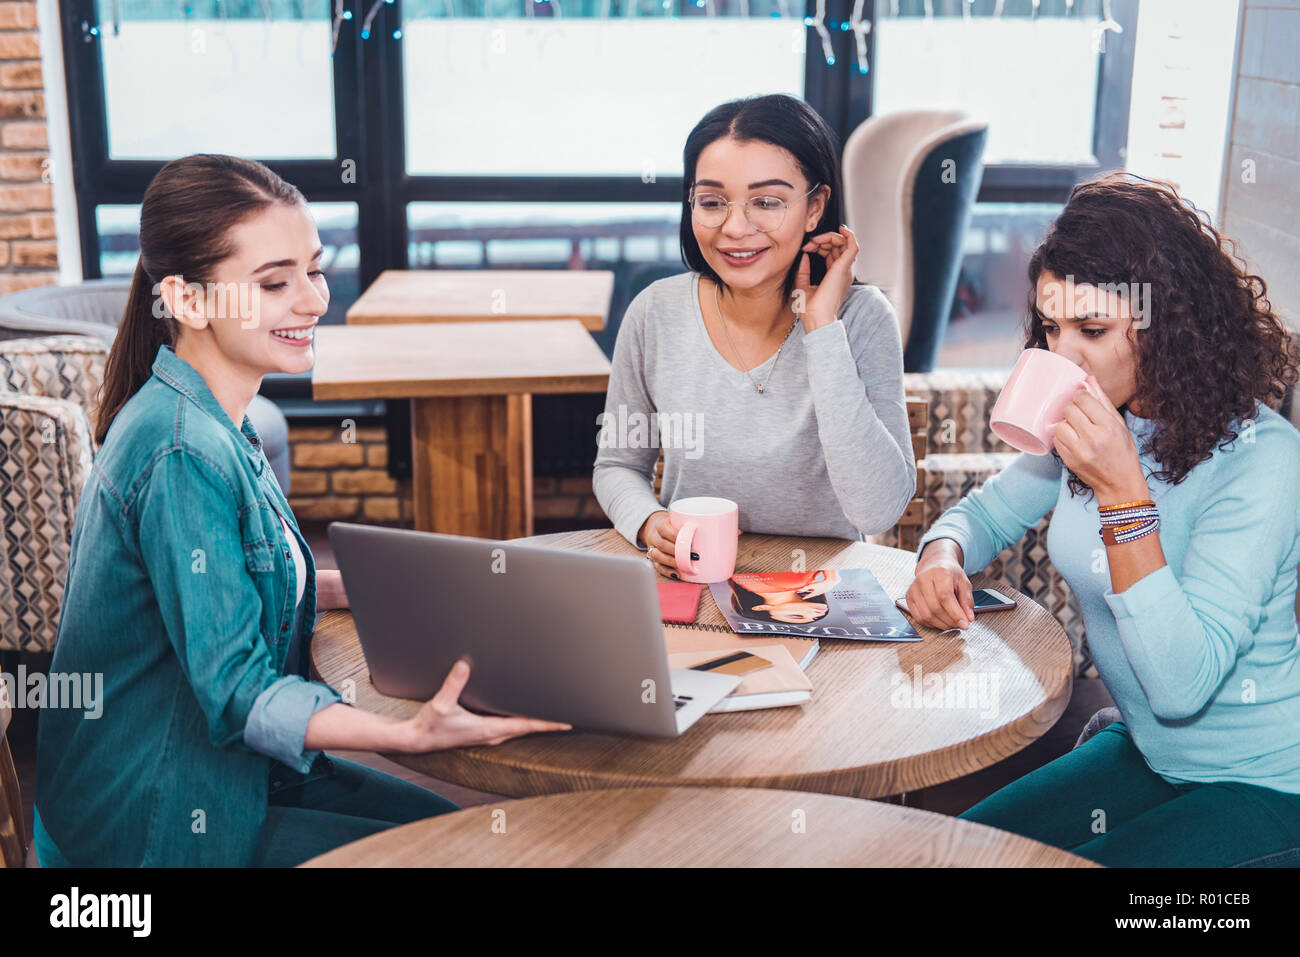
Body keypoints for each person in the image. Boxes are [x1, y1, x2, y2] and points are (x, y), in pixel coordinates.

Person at [33, 154, 569, 868]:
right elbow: (235, 692)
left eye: (314, 270)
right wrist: (407, 736)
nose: (315, 299)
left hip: (240, 772)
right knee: (477, 855)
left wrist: (391, 588)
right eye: (275, 282)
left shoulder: (221, 413)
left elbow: (230, 580)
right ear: (188, 302)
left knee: (483, 843)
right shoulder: (181, 448)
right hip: (157, 815)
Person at [904, 172, 1300, 867]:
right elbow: (987, 513)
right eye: (1052, 327)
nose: (1064, 355)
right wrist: (942, 554)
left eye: (1093, 329)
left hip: (1264, 781)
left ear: (1173, 326)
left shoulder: (1263, 461)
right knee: (945, 856)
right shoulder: (1091, 422)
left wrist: (1123, 493)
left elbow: (1181, 688)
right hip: (1149, 755)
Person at [593, 94, 915, 579]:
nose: (735, 228)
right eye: (712, 202)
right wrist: (649, 521)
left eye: (767, 202)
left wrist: (821, 324)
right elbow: (617, 465)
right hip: (695, 583)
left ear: (815, 208)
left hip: (822, 599)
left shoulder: (862, 319)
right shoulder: (654, 313)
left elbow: (877, 510)